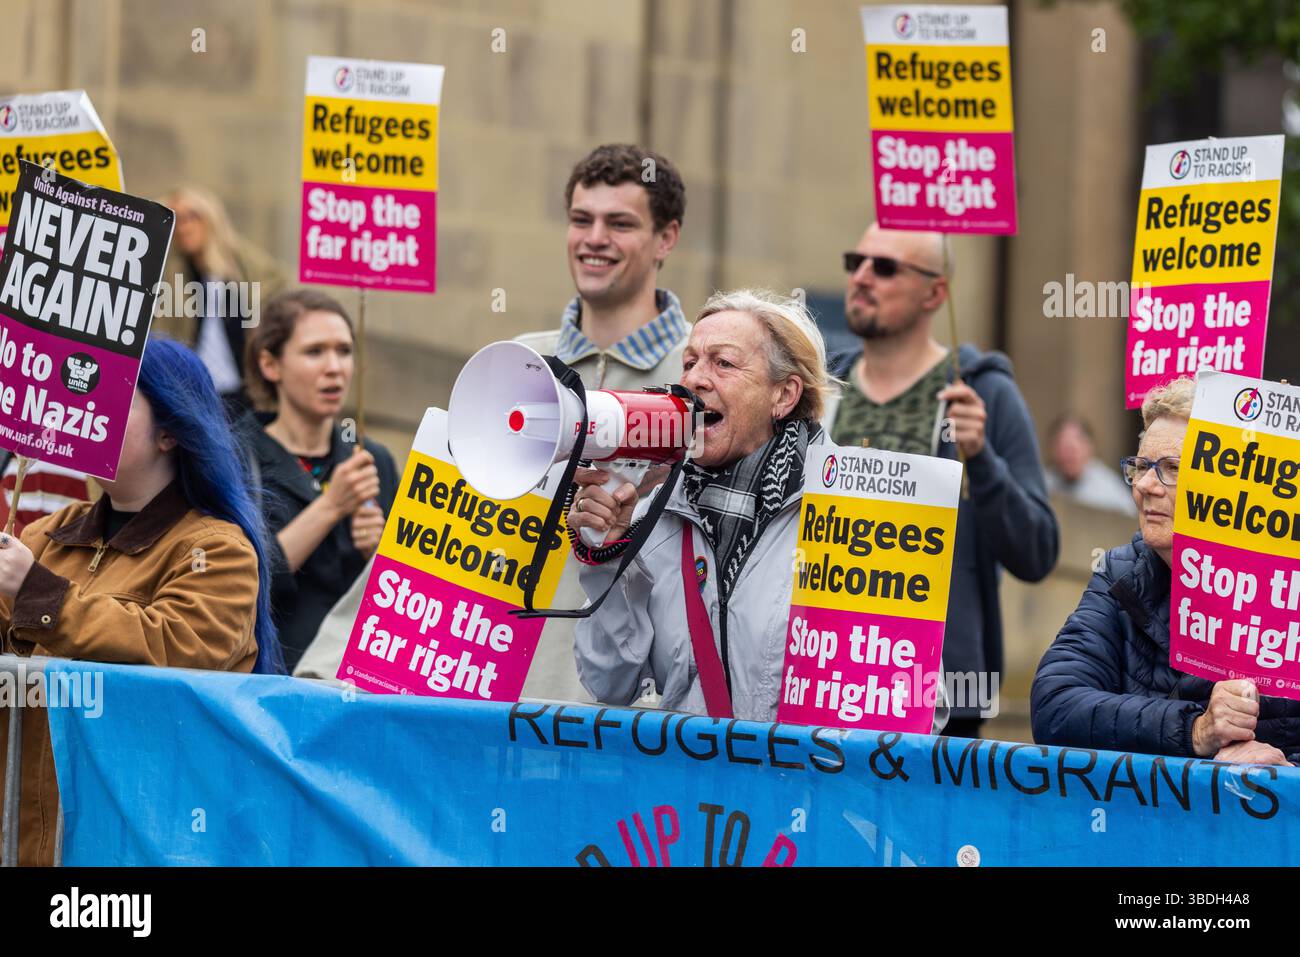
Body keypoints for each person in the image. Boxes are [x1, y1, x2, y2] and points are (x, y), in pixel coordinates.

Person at [294, 144, 691, 691]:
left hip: (635, 716)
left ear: (666, 238)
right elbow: (434, 524)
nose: (594, 238)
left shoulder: (703, 374)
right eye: (581, 219)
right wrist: (328, 664)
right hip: (509, 696)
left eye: (619, 223)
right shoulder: (515, 363)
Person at [570, 288, 947, 730]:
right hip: (691, 795)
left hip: (806, 791)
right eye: (689, 362)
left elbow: (919, 708)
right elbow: (610, 682)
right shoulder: (653, 511)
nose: (694, 380)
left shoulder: (857, 514)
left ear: (783, 395)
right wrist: (610, 557)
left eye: (723, 363)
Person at [0, 338, 285, 865]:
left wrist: (36, 593)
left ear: (170, 432)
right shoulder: (45, 535)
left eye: (116, 394)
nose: (89, 406)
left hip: (138, 844)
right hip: (24, 837)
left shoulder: (216, 548)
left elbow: (171, 648)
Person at [824, 222, 1059, 738]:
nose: (862, 277)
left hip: (940, 695)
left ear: (936, 292)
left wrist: (982, 459)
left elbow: (1037, 551)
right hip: (822, 672)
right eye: (855, 262)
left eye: (884, 267)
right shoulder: (823, 390)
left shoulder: (983, 394)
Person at [1032, 377, 1300, 764]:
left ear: (1235, 484)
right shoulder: (1120, 574)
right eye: (1141, 466)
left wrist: (1287, 776)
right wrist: (1196, 731)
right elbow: (1055, 707)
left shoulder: (1287, 591)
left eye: (1171, 468)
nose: (1143, 485)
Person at [240, 289, 398, 672]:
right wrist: (330, 507)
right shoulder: (236, 456)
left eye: (344, 351)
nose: (335, 367)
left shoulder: (371, 459)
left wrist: (377, 555)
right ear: (270, 364)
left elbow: (406, 600)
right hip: (272, 685)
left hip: (356, 684)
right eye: (315, 352)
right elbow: (238, 584)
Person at [151, 186, 288, 414]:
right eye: (176, 219)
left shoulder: (243, 266)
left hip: (245, 392)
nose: (184, 227)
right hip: (192, 393)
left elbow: (275, 284)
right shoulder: (171, 271)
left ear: (210, 219)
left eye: (192, 216)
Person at [1046, 413, 1135, 515]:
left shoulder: (1110, 490)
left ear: (1090, 447)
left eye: (1073, 449)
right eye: (1063, 447)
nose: (1068, 455)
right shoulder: (1045, 484)